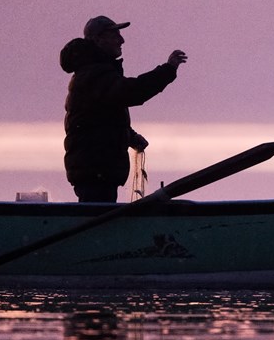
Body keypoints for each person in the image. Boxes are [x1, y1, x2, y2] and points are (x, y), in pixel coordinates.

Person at [60, 15, 187, 202]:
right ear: (98, 39)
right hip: (96, 170)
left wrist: (130, 137)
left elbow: (102, 119)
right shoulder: (95, 74)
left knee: (97, 211)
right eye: (115, 35)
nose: (121, 40)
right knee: (97, 213)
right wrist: (167, 70)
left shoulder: (93, 72)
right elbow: (132, 92)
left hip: (96, 170)